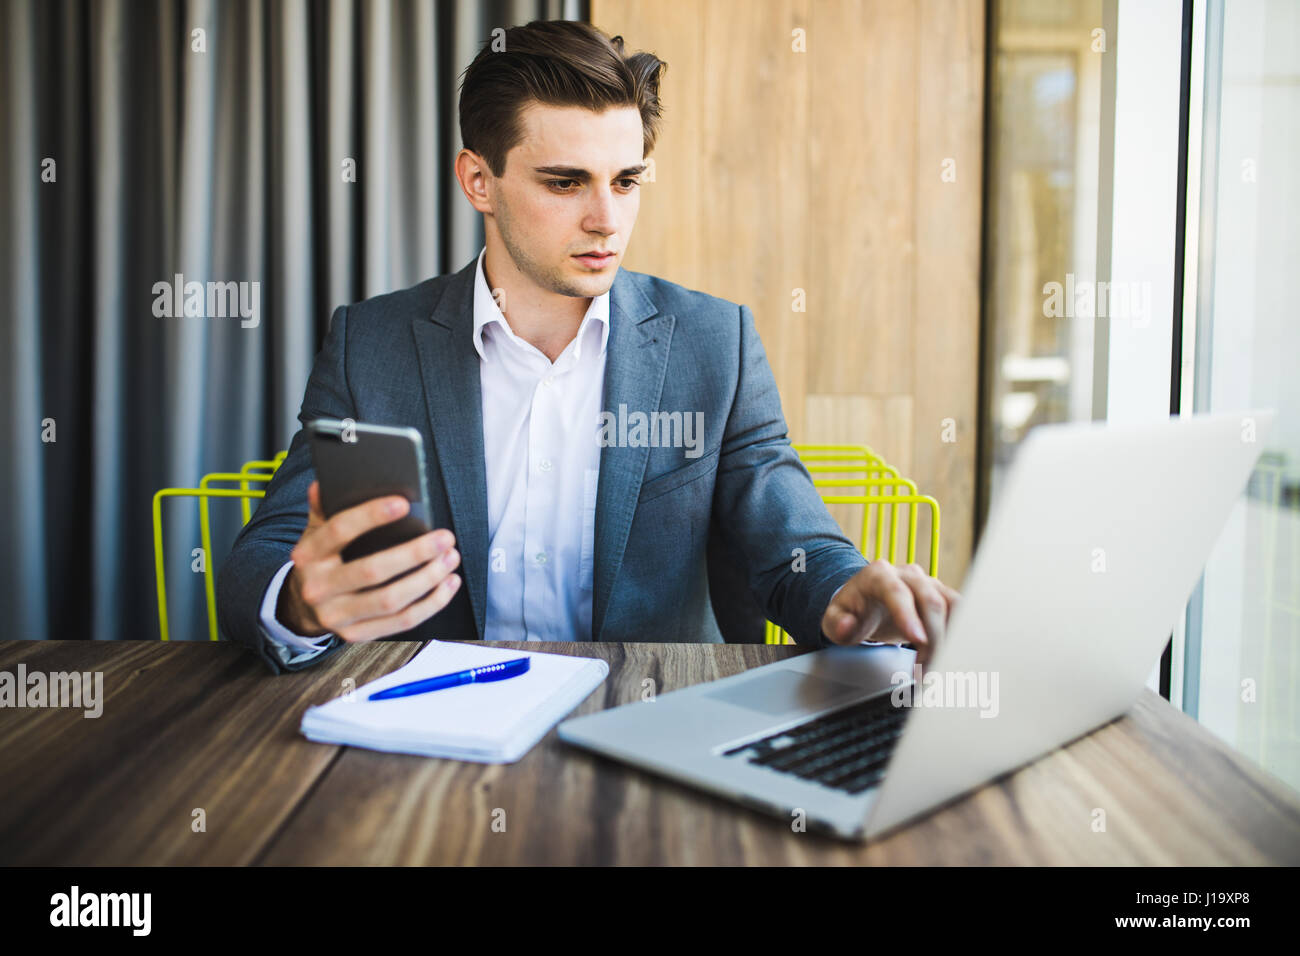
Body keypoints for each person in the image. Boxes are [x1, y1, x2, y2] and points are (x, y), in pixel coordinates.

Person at [216, 19, 959, 675]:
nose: (607, 219)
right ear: (479, 179)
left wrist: (848, 593)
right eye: (566, 182)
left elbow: (793, 546)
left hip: (652, 725)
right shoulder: (371, 343)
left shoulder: (713, 343)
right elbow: (268, 552)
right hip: (432, 737)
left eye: (627, 180)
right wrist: (303, 603)